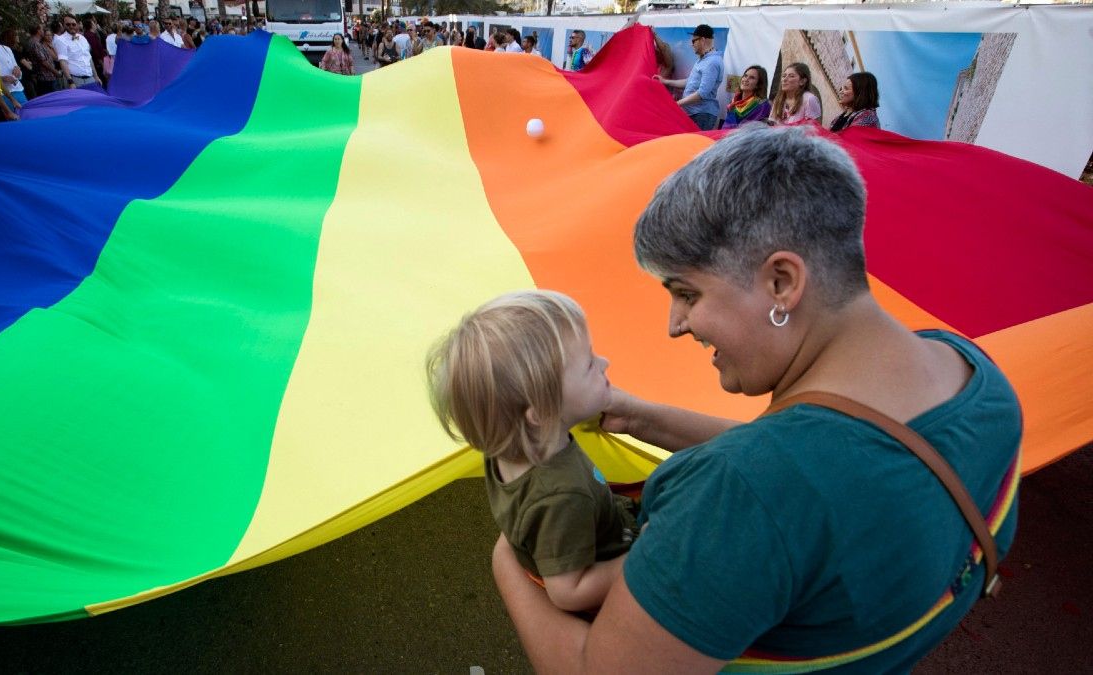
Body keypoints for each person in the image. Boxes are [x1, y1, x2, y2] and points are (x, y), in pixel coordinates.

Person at [491, 126, 1021, 672]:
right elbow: (821, 460)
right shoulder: (977, 378)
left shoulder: (735, 499)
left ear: (782, 283)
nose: (676, 325)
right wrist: (639, 417)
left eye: (687, 293)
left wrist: (510, 555)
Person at [428, 290, 636, 613]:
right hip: (614, 587)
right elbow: (569, 591)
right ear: (541, 412)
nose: (604, 363)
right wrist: (644, 557)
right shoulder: (561, 495)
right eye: (589, 364)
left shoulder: (509, 447)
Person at [654, 24, 723, 131]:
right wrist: (665, 81)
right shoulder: (703, 60)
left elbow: (702, 94)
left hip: (702, 115)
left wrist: (677, 104)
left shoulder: (712, 62)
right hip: (694, 113)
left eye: (694, 41)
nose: (692, 45)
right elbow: (689, 82)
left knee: (696, 142)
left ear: (702, 40)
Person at [721, 65, 772, 129]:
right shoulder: (734, 102)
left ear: (758, 84)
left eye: (752, 78)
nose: (746, 79)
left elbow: (754, 130)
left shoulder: (762, 105)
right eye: (745, 76)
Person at [57, 14, 101, 88]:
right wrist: (70, 81)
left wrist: (96, 76)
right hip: (75, 80)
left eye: (73, 24)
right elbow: (63, 62)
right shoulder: (61, 40)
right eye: (68, 24)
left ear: (77, 25)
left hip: (90, 78)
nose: (71, 26)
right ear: (64, 25)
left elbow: (89, 58)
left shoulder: (82, 38)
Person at [772, 61, 821, 126]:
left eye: (791, 76)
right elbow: (772, 123)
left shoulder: (809, 99)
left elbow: (812, 129)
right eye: (784, 76)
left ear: (802, 81)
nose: (784, 79)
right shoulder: (779, 99)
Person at [0, 28, 27, 109]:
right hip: (2, 95)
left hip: (18, 90)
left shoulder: (7, 49)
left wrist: (18, 70)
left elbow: (18, 72)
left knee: (26, 113)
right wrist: (2, 79)